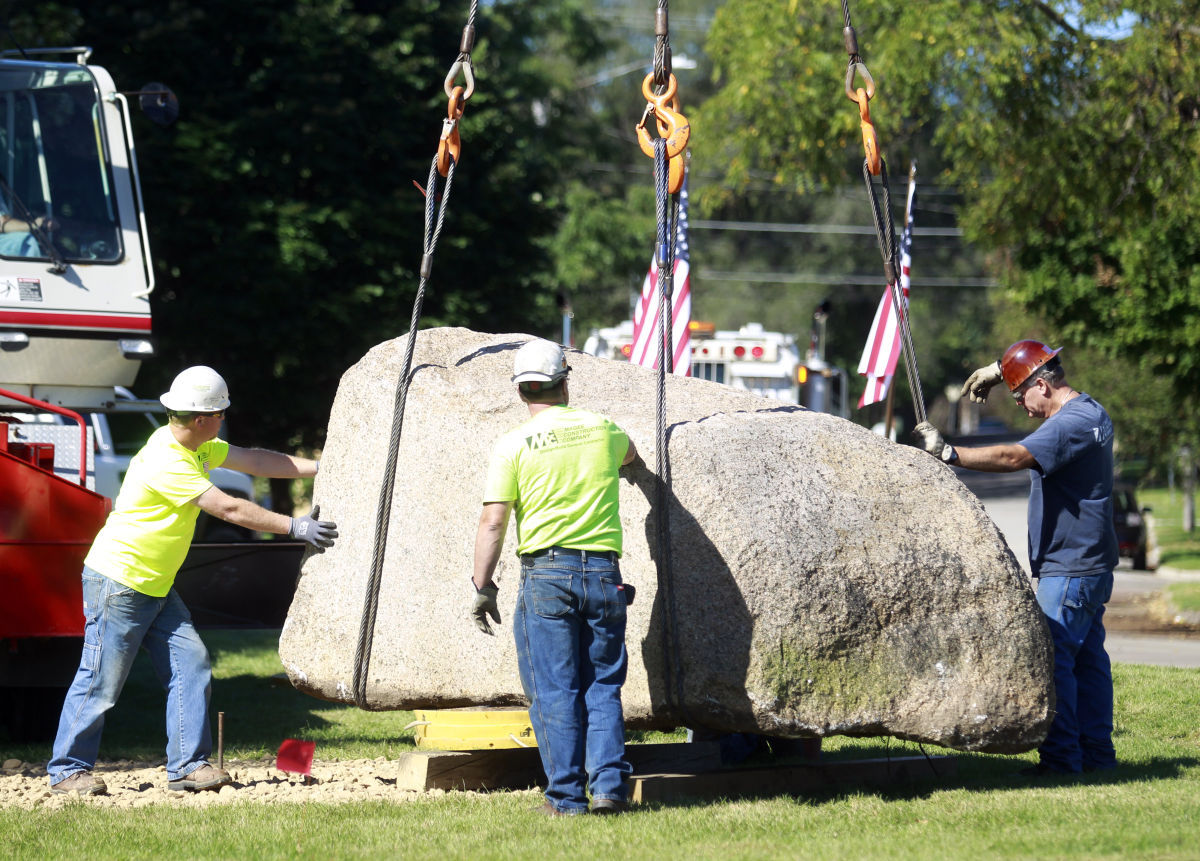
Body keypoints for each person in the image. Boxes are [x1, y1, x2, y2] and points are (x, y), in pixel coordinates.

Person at [47, 366, 338, 796]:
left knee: (192, 663)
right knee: (100, 681)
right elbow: (229, 509)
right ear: (203, 419)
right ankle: (67, 770)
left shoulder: (199, 444)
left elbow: (254, 458)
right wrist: (294, 528)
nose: (224, 419)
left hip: (157, 584)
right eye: (220, 413)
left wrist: (322, 466)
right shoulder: (168, 459)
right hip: (121, 583)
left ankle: (187, 766)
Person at [913, 341, 1119, 776]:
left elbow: (1013, 456)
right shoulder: (1093, 410)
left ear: (1042, 385)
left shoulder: (1071, 424)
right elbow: (1038, 354)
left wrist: (949, 454)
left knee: (1057, 661)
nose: (1022, 407)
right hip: (1091, 564)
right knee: (1089, 662)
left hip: (1070, 567)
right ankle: (1097, 757)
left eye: (1021, 395)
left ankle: (1063, 761)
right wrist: (1001, 368)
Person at [471, 339, 638, 816]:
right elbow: (630, 457)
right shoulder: (602, 428)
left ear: (522, 390)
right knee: (602, 685)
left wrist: (482, 587)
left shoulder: (512, 445)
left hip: (546, 575)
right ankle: (608, 790)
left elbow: (493, 522)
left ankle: (566, 798)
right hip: (605, 572)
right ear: (566, 381)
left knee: (553, 689)